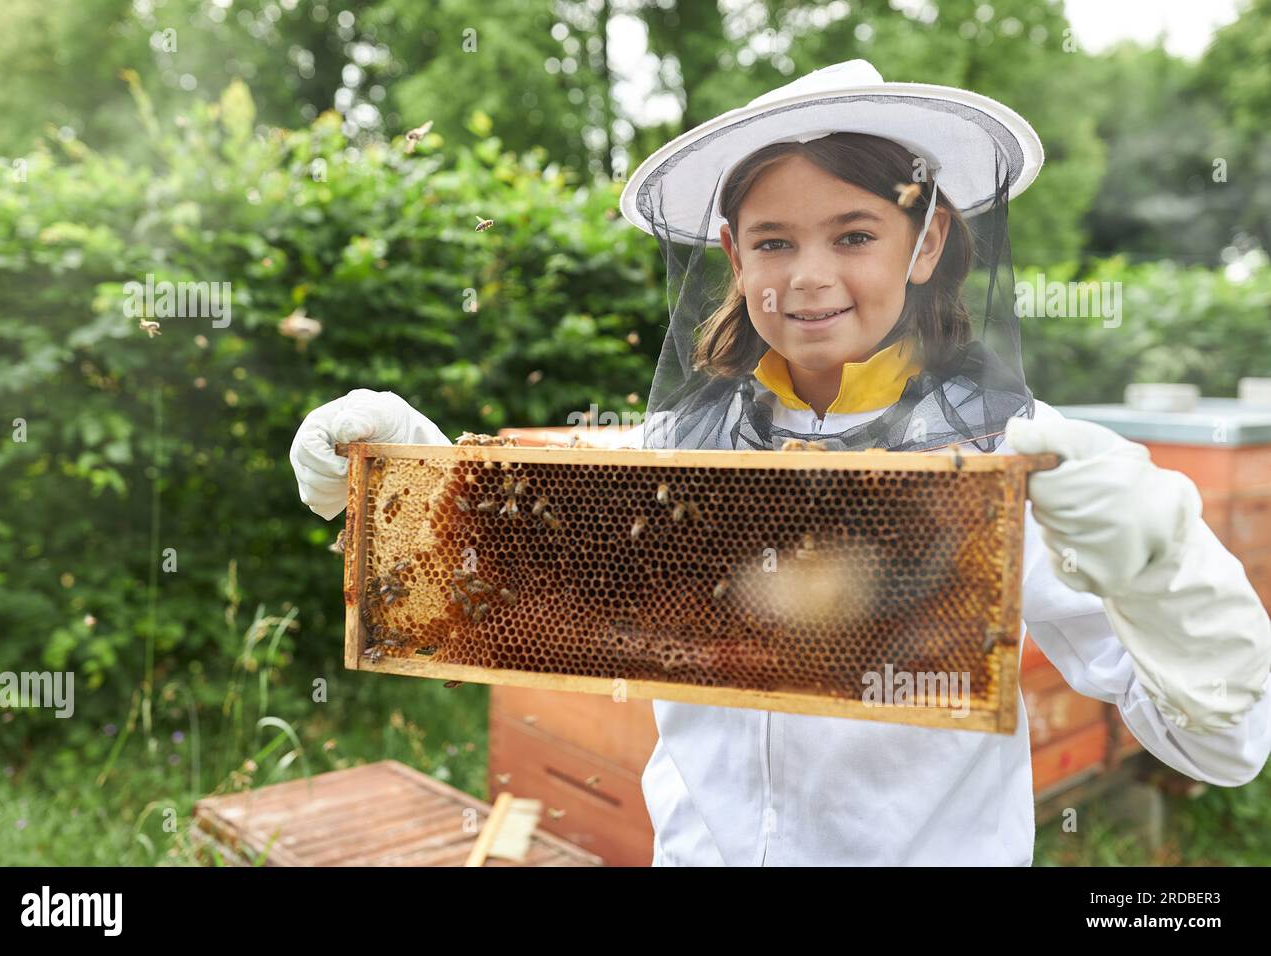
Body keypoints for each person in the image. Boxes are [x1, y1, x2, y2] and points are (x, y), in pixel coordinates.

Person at [290, 60, 1271, 865]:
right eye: (772, 240)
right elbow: (526, 565)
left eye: (853, 234)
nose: (807, 277)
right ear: (730, 252)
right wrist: (416, 484)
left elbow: (1225, 743)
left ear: (925, 241)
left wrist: (1160, 562)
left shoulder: (1015, 458)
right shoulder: (675, 452)